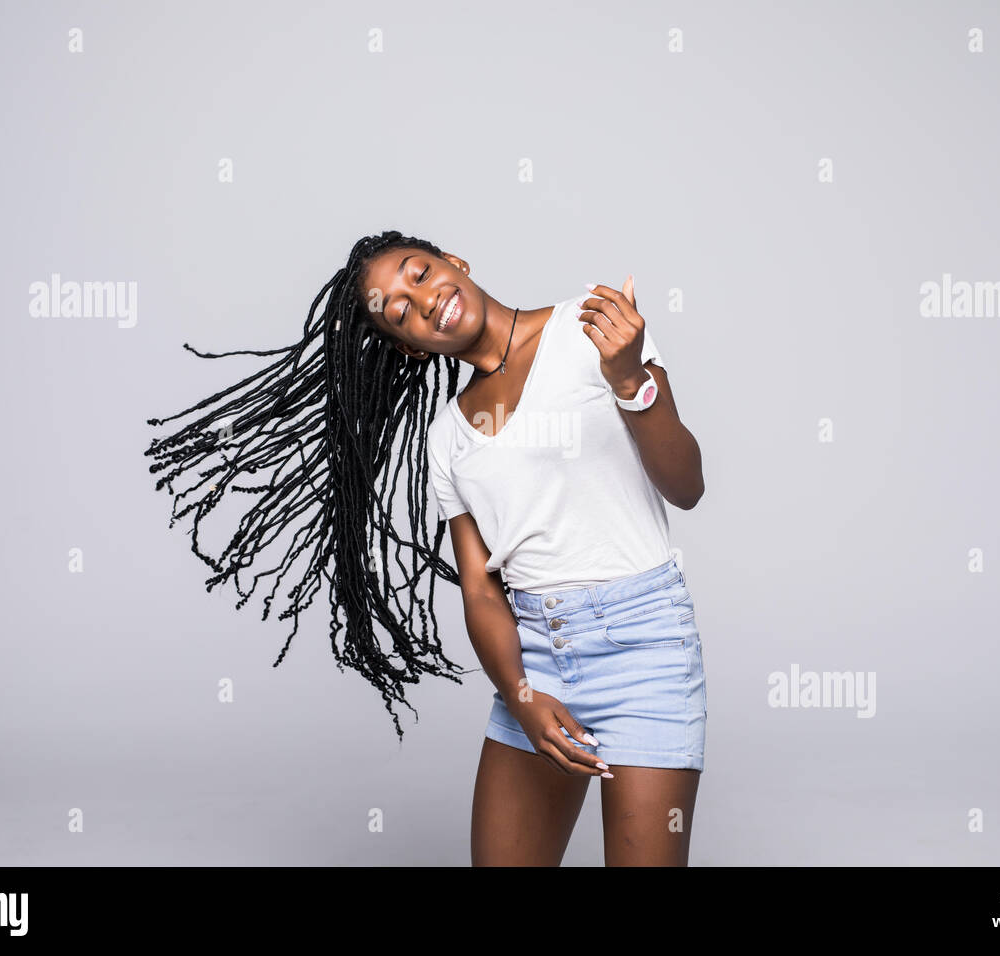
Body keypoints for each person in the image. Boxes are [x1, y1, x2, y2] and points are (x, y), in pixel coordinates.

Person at [145, 230, 707, 865]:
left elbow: (686, 486)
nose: (421, 301)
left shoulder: (592, 329)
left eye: (418, 274)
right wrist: (521, 694)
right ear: (408, 350)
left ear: (455, 262)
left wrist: (631, 378)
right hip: (536, 661)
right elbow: (478, 588)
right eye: (398, 313)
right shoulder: (449, 439)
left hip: (644, 648)